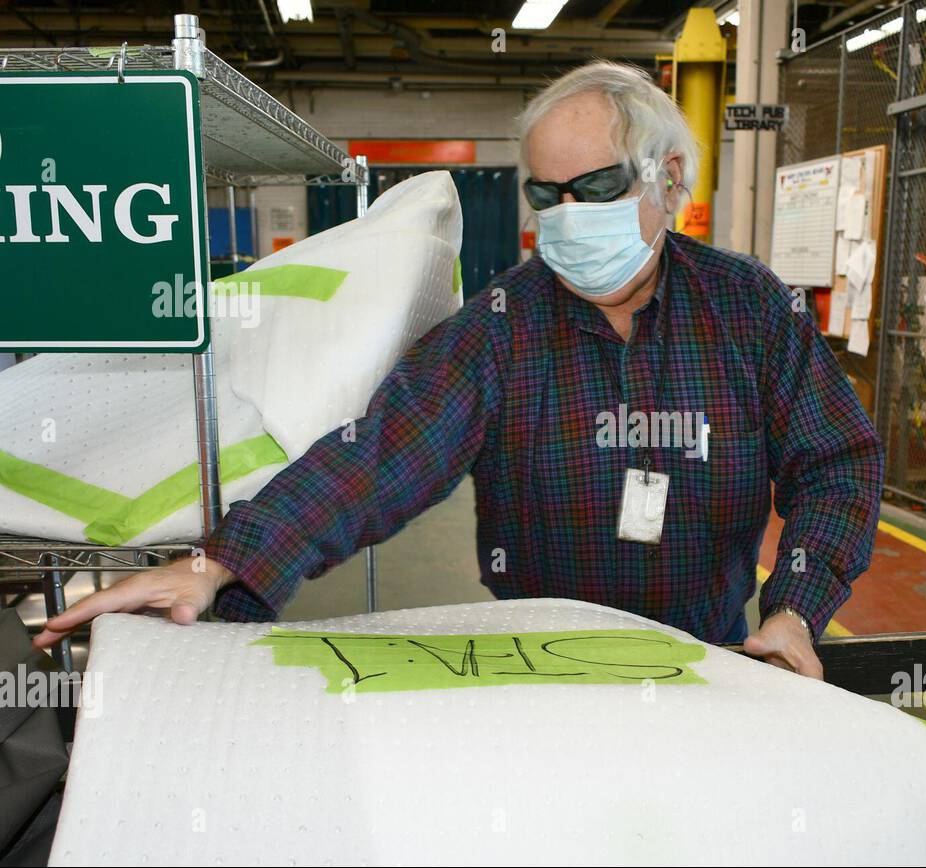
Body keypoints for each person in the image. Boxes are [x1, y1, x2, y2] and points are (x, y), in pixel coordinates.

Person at [35, 60, 883, 679]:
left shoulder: (750, 310)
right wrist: (219, 563)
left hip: (714, 663)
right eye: (548, 196)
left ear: (668, 180)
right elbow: (380, 455)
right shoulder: (503, 329)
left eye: (595, 186)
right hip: (544, 670)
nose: (569, 217)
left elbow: (836, 463)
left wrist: (794, 613)